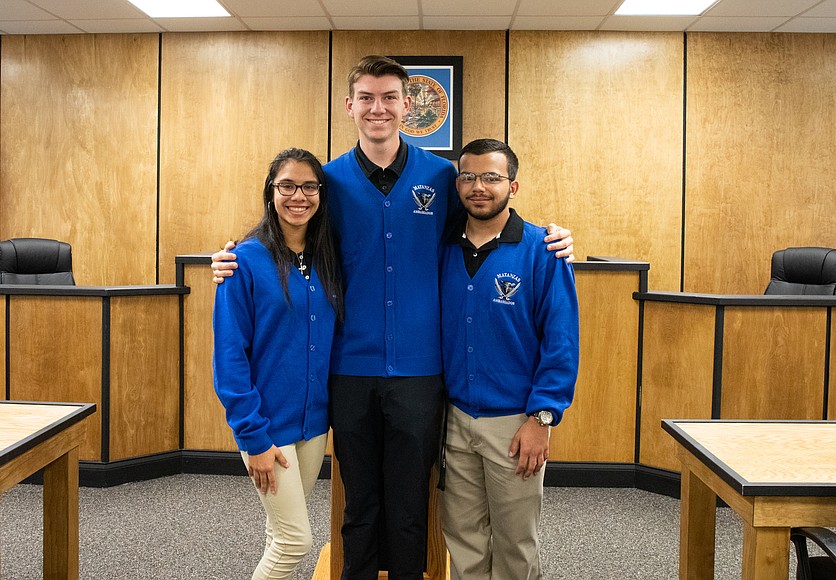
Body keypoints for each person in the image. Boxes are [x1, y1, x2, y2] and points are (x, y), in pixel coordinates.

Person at [211, 56, 575, 579]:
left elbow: (486, 225)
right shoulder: (328, 182)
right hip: (349, 371)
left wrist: (552, 237)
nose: (378, 108)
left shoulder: (443, 178)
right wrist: (232, 254)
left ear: (408, 106)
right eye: (367, 98)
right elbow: (288, 236)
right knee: (360, 503)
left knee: (411, 505)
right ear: (350, 106)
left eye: (389, 98)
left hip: (420, 373)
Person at [439, 138, 579, 579]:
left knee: (516, 544)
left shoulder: (543, 250)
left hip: (516, 424)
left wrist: (543, 419)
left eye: (491, 177)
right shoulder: (439, 246)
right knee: (463, 540)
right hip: (454, 418)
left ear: (513, 187)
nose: (478, 186)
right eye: (468, 176)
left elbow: (561, 342)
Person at [212, 148, 344, 580]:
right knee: (295, 542)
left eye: (308, 186)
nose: (298, 196)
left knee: (279, 531)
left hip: (311, 426)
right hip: (266, 427)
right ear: (270, 193)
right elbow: (229, 358)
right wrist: (252, 438)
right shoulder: (243, 261)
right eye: (286, 186)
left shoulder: (328, 258)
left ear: (320, 194)